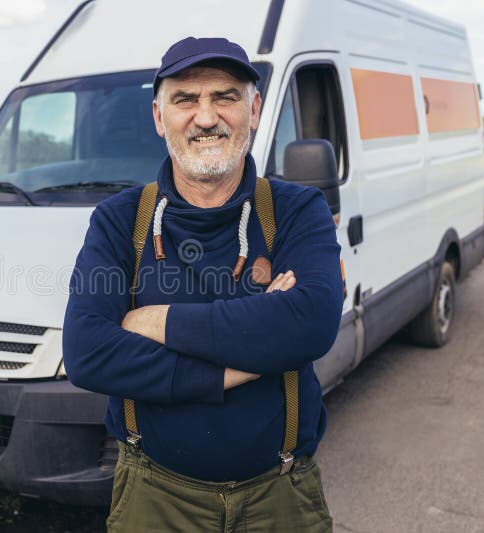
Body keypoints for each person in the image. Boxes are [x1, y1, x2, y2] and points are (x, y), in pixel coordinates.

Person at [62, 36, 343, 532]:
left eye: (225, 97)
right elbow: (87, 352)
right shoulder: (119, 220)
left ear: (254, 110)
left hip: (280, 495)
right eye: (185, 99)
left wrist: (154, 320)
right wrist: (238, 366)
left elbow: (312, 323)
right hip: (154, 499)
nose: (207, 117)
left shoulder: (297, 210)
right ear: (159, 117)